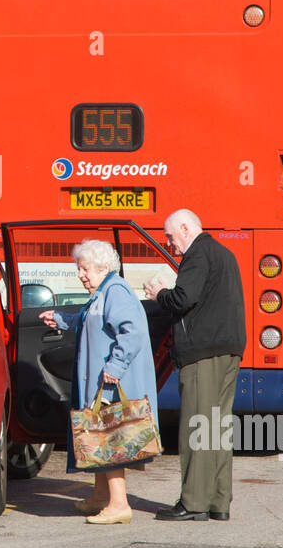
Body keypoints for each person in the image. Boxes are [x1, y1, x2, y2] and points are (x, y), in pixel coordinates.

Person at [39, 239, 158, 525]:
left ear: (104, 267)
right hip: (101, 381)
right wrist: (63, 319)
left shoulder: (115, 291)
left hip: (112, 382)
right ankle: (100, 495)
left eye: (85, 268)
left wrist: (115, 367)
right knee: (99, 433)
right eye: (79, 268)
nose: (81, 274)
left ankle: (119, 505)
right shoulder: (102, 291)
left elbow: (133, 332)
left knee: (110, 437)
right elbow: (91, 320)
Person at [144, 209, 246, 522]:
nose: (169, 243)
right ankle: (218, 502)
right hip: (229, 351)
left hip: (203, 354)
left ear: (187, 228)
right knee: (217, 427)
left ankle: (193, 502)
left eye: (171, 236)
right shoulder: (224, 254)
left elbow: (182, 299)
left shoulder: (198, 254)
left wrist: (159, 293)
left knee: (198, 427)